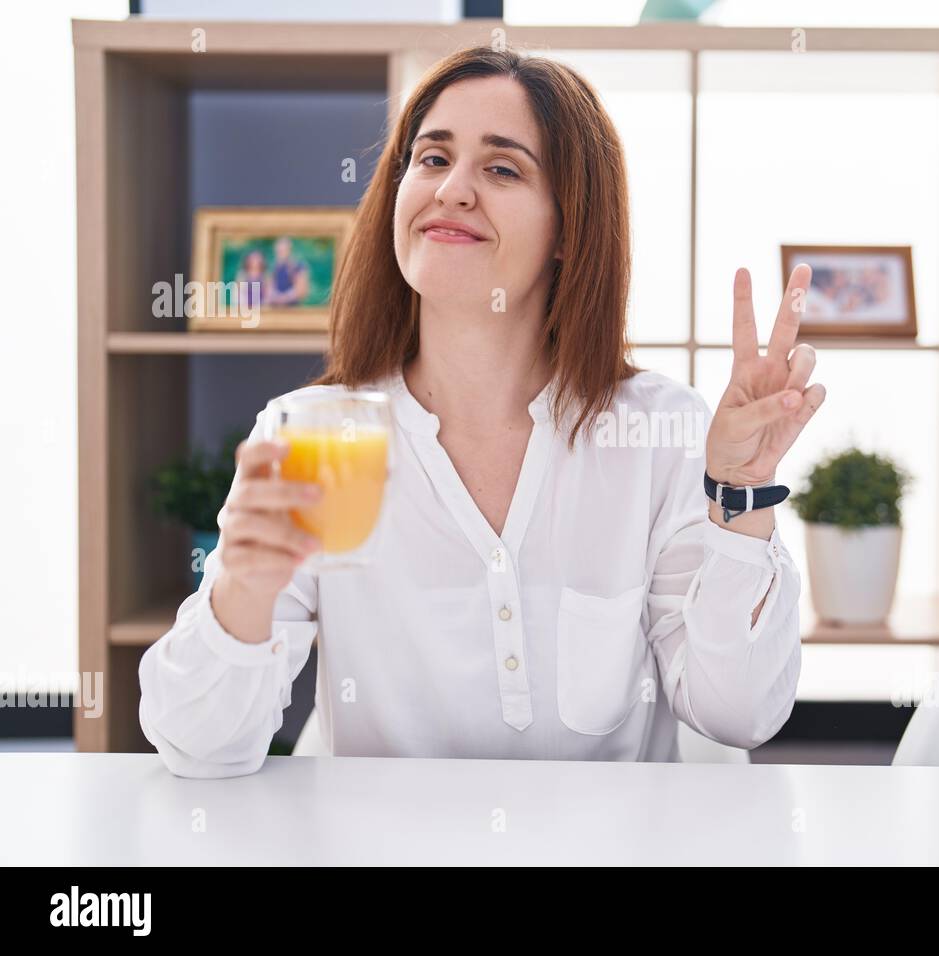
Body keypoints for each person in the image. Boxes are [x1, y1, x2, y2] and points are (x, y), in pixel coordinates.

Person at [138, 45, 826, 778]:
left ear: (569, 230)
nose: (452, 190)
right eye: (432, 159)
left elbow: (739, 713)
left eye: (502, 169)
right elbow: (197, 749)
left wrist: (743, 493)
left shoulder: (661, 433)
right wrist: (243, 586)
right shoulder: (314, 434)